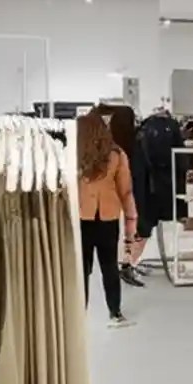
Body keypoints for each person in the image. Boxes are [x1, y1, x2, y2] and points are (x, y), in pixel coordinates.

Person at [76, 113, 136, 327]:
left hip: (81, 217)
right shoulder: (117, 155)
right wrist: (131, 218)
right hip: (108, 217)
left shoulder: (73, 155)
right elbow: (126, 191)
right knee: (109, 265)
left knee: (81, 268)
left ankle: (78, 316)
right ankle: (115, 312)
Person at [108, 107, 148, 287]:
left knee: (121, 230)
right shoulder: (135, 141)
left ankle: (126, 262)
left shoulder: (110, 144)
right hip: (132, 190)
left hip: (114, 191)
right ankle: (127, 264)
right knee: (134, 228)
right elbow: (140, 168)